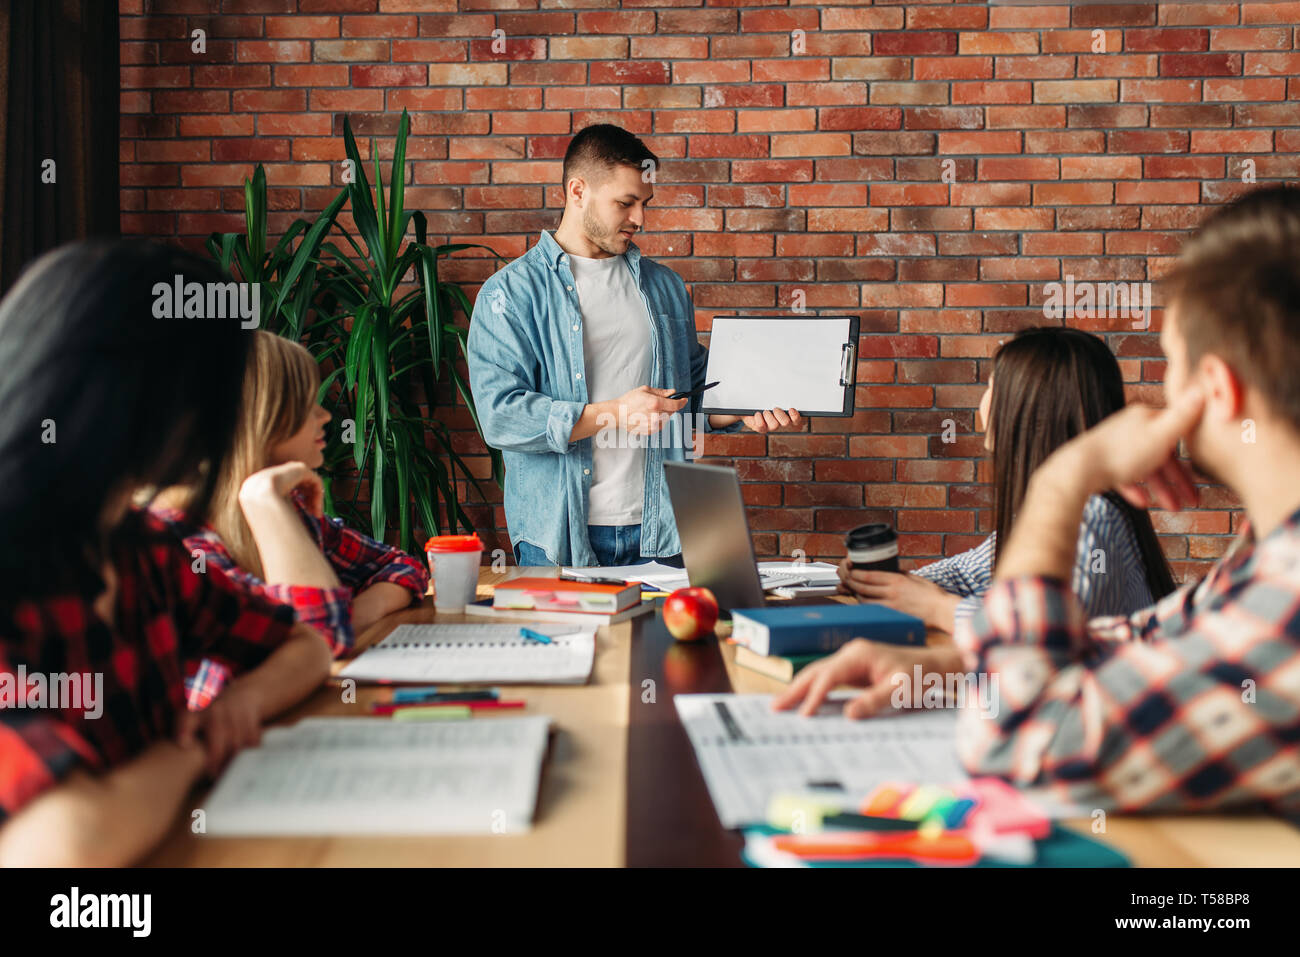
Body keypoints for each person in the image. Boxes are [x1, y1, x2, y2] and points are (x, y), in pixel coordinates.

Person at [777, 185, 1300, 814]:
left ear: (1217, 389)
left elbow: (1016, 740)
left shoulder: (1286, 596)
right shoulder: (1264, 557)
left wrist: (1064, 477)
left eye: (1169, 363)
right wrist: (942, 675)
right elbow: (1133, 644)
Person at [0, 241, 331, 866]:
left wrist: (243, 703)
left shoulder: (146, 549)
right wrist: (185, 757)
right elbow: (64, 848)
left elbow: (307, 646)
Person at [467, 123, 800, 568]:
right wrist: (618, 413)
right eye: (625, 203)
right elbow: (501, 417)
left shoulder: (664, 287)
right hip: (559, 534)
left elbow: (687, 394)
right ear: (577, 190)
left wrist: (739, 408)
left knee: (672, 640)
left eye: (644, 204)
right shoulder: (509, 294)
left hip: (665, 530)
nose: (639, 219)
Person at [155, 332, 429, 709]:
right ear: (261, 418)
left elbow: (402, 566)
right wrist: (264, 499)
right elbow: (321, 638)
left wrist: (352, 615)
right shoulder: (185, 540)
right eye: (308, 404)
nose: (325, 416)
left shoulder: (295, 513)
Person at [837, 327, 1175, 633]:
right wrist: (885, 585)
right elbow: (971, 574)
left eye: (990, 386)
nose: (982, 403)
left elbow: (1045, 634)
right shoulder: (1051, 506)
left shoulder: (1090, 515)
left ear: (1026, 408)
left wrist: (938, 609)